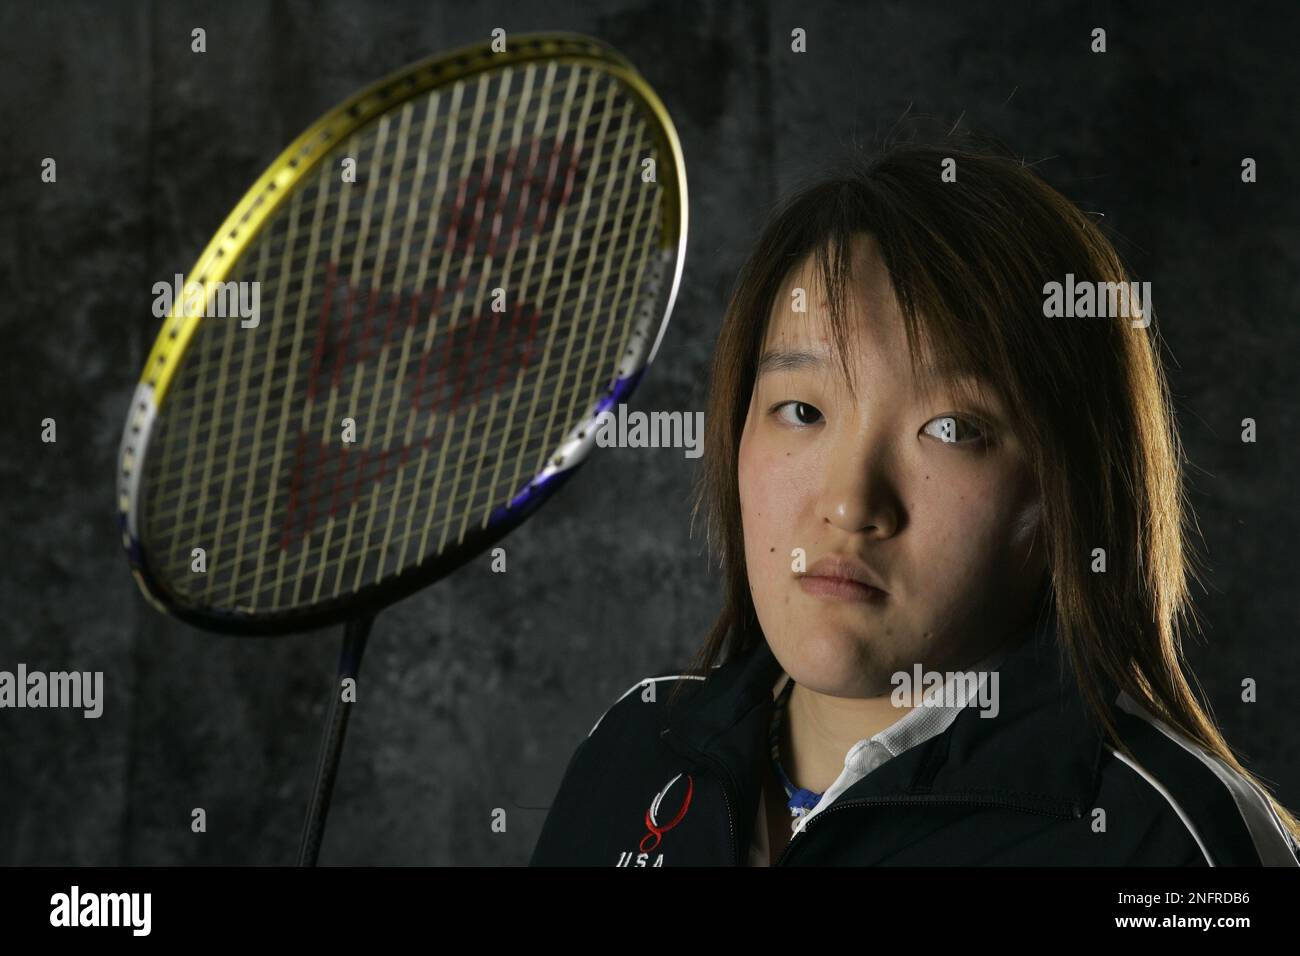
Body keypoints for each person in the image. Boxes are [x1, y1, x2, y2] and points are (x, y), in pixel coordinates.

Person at [528, 129, 1300, 866]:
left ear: (1067, 492)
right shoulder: (631, 751)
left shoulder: (1168, 843)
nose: (850, 503)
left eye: (951, 428)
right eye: (802, 411)